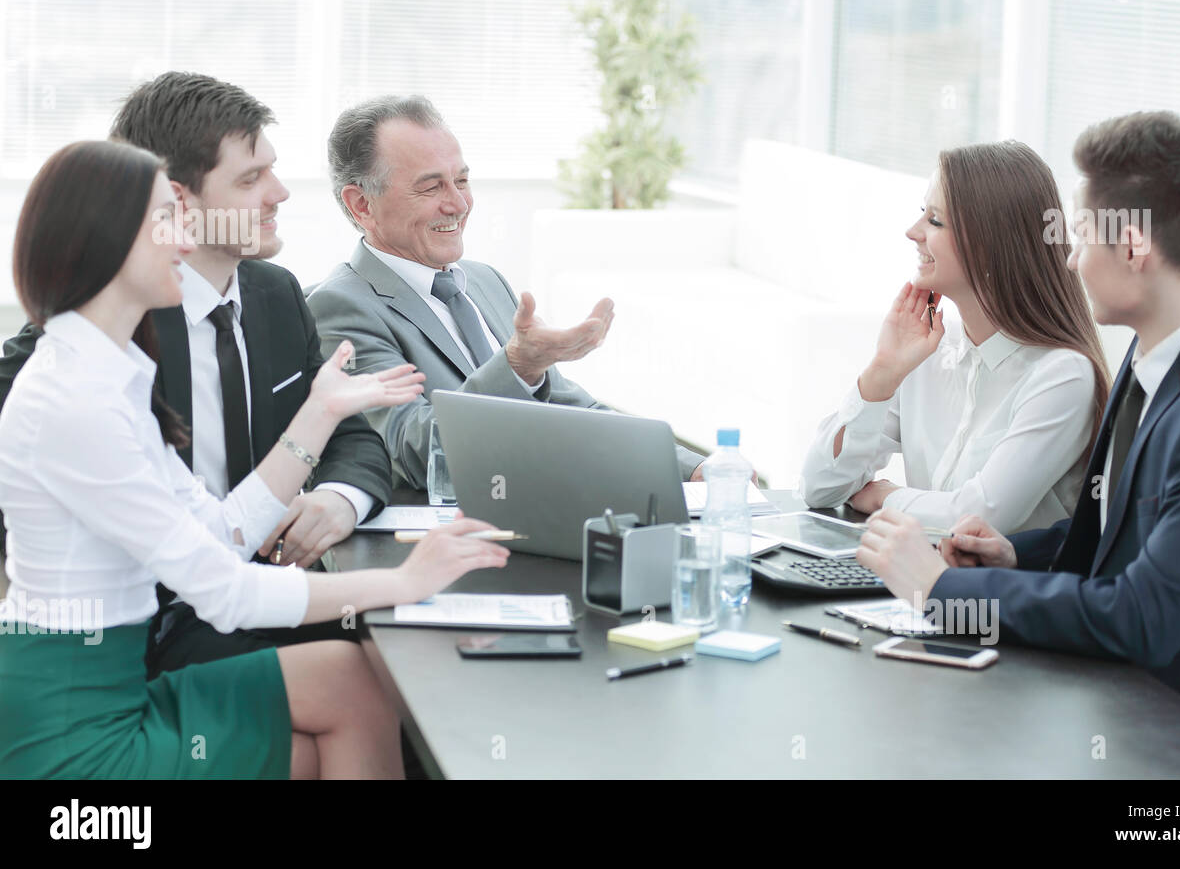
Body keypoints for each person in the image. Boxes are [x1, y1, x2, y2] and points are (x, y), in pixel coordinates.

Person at [0, 139, 509, 778]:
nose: (186, 240)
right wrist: (406, 583)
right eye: (167, 220)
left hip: (113, 686)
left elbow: (219, 533)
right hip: (73, 731)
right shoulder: (75, 401)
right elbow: (223, 591)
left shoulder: (112, 371)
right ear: (106, 241)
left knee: (352, 679)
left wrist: (320, 410)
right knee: (321, 741)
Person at [856, 111, 1180, 763]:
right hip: (1124, 716)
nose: (1068, 257)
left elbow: (1142, 615)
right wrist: (1016, 555)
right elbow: (1123, 535)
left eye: (1083, 234)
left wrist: (944, 592)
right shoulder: (1153, 354)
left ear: (1134, 247)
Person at [0, 72, 392, 678]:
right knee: (358, 677)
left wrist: (340, 500)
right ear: (175, 200)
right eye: (251, 178)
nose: (280, 193)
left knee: (407, 650)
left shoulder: (275, 294)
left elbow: (353, 436)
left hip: (270, 580)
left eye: (273, 170)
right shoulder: (104, 327)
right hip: (163, 622)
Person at [307, 95, 705, 489]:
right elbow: (416, 452)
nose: (459, 204)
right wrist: (518, 367)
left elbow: (570, 409)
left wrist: (691, 468)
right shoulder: (340, 308)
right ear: (362, 205)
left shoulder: (484, 281)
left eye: (462, 180)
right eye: (431, 188)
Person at [799, 141, 1110, 535]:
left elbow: (978, 518)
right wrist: (881, 374)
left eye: (935, 221)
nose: (912, 232)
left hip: (998, 595)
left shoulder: (1062, 376)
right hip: (923, 583)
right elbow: (819, 487)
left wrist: (885, 497)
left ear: (991, 243)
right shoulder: (927, 349)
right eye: (921, 215)